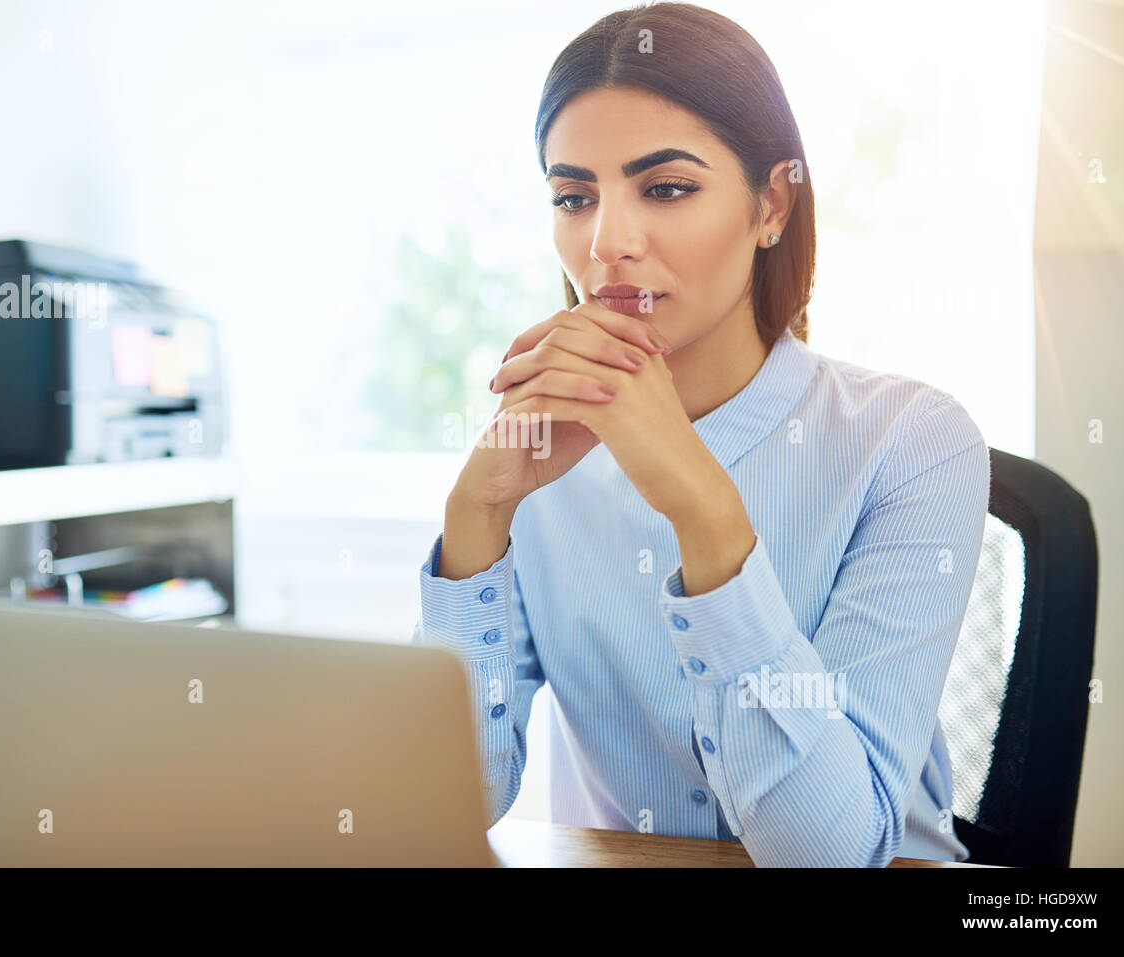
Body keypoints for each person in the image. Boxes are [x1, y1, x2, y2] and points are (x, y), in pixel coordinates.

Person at [412, 2, 990, 867]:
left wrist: (702, 507)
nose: (607, 243)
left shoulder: (914, 442)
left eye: (666, 188)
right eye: (574, 196)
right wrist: (476, 520)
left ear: (772, 203)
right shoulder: (537, 458)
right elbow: (447, 802)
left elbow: (827, 854)